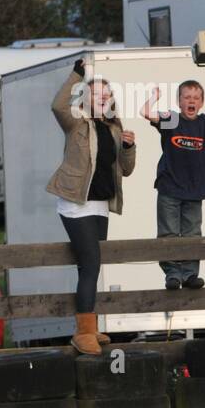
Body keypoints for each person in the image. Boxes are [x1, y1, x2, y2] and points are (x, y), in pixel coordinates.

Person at [47, 59, 136, 355]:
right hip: (76, 202)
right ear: (85, 99)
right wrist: (78, 74)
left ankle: (90, 325)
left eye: (106, 94)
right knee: (90, 264)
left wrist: (128, 147)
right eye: (96, 93)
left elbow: (125, 169)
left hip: (100, 204)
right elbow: (57, 106)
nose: (102, 98)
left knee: (92, 268)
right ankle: (82, 332)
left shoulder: (114, 127)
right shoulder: (75, 121)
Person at [141, 80, 205, 290]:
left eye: (196, 98)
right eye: (186, 97)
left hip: (195, 190)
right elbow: (146, 112)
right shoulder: (171, 120)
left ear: (201, 103)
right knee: (169, 233)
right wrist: (155, 96)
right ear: (179, 101)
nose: (191, 101)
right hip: (169, 188)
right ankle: (173, 274)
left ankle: (190, 274)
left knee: (192, 233)